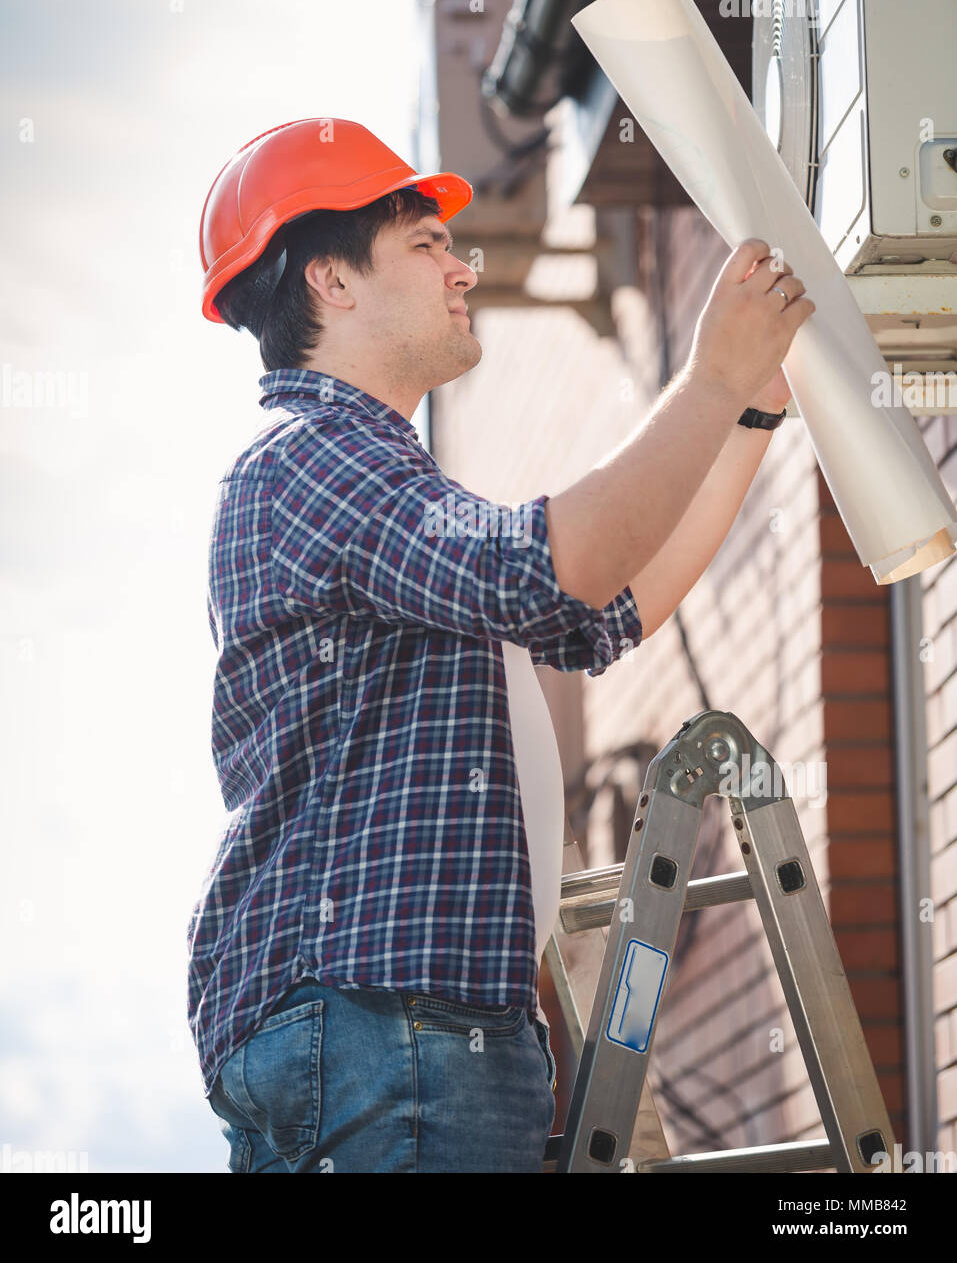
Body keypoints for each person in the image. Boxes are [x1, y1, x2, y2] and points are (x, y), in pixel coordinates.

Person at [187, 116, 814, 1174]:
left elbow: (607, 606)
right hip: (383, 1026)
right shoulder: (308, 463)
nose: (462, 268)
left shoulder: (384, 484)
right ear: (330, 279)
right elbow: (550, 567)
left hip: (407, 1031)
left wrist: (744, 412)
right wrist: (708, 379)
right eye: (426, 244)